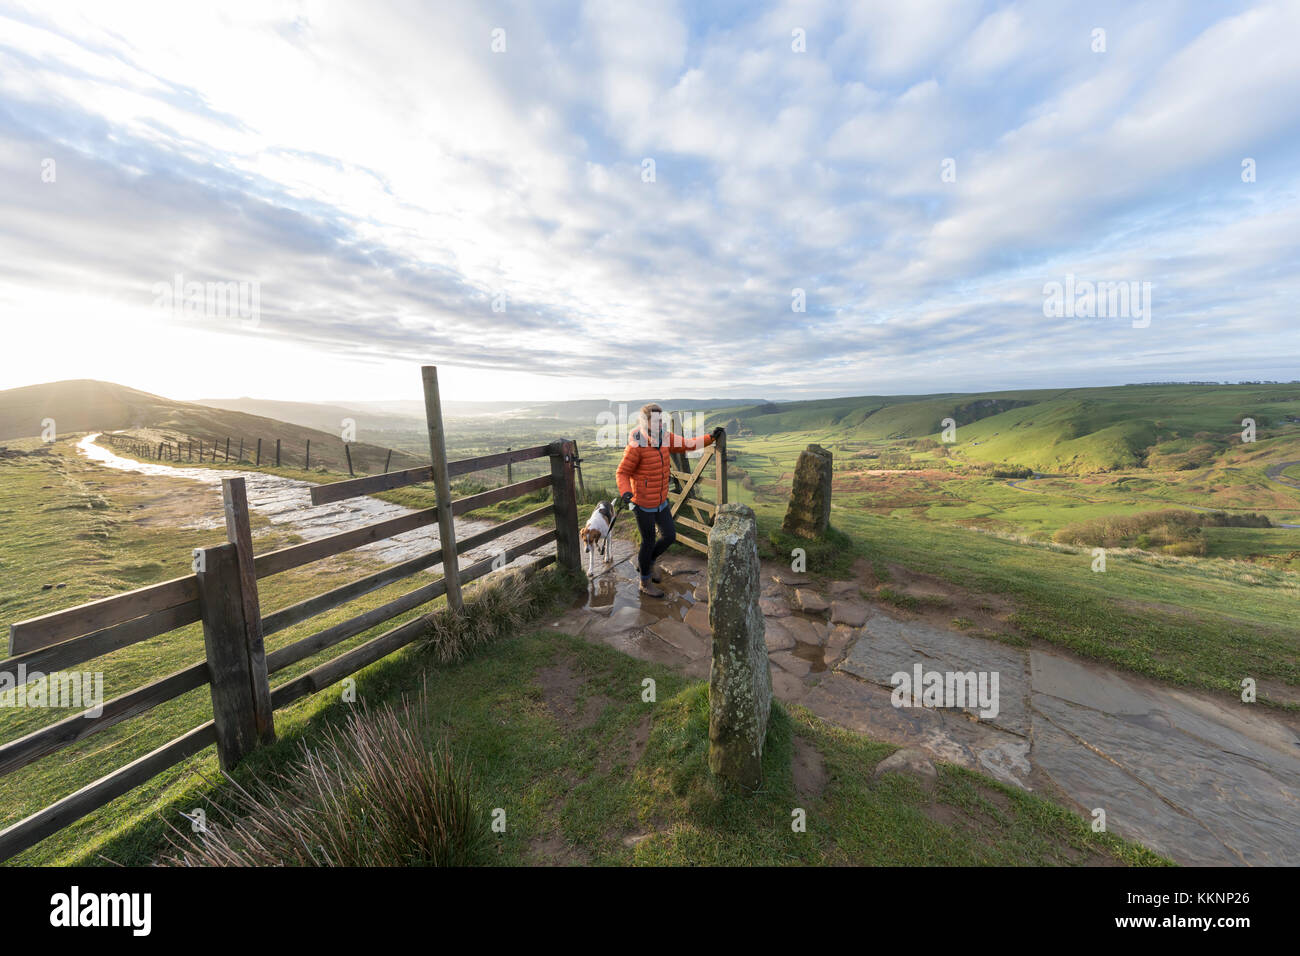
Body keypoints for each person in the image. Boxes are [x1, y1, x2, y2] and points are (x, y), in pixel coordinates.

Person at [615, 403, 723, 597]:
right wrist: (626, 492)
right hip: (642, 503)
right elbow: (622, 472)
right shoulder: (636, 445)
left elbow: (687, 444)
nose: (659, 424)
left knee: (669, 536)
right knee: (648, 542)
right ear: (645, 422)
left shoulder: (665, 437)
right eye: (654, 421)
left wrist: (710, 437)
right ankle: (645, 583)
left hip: (661, 500)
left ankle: (647, 562)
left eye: (660, 420)